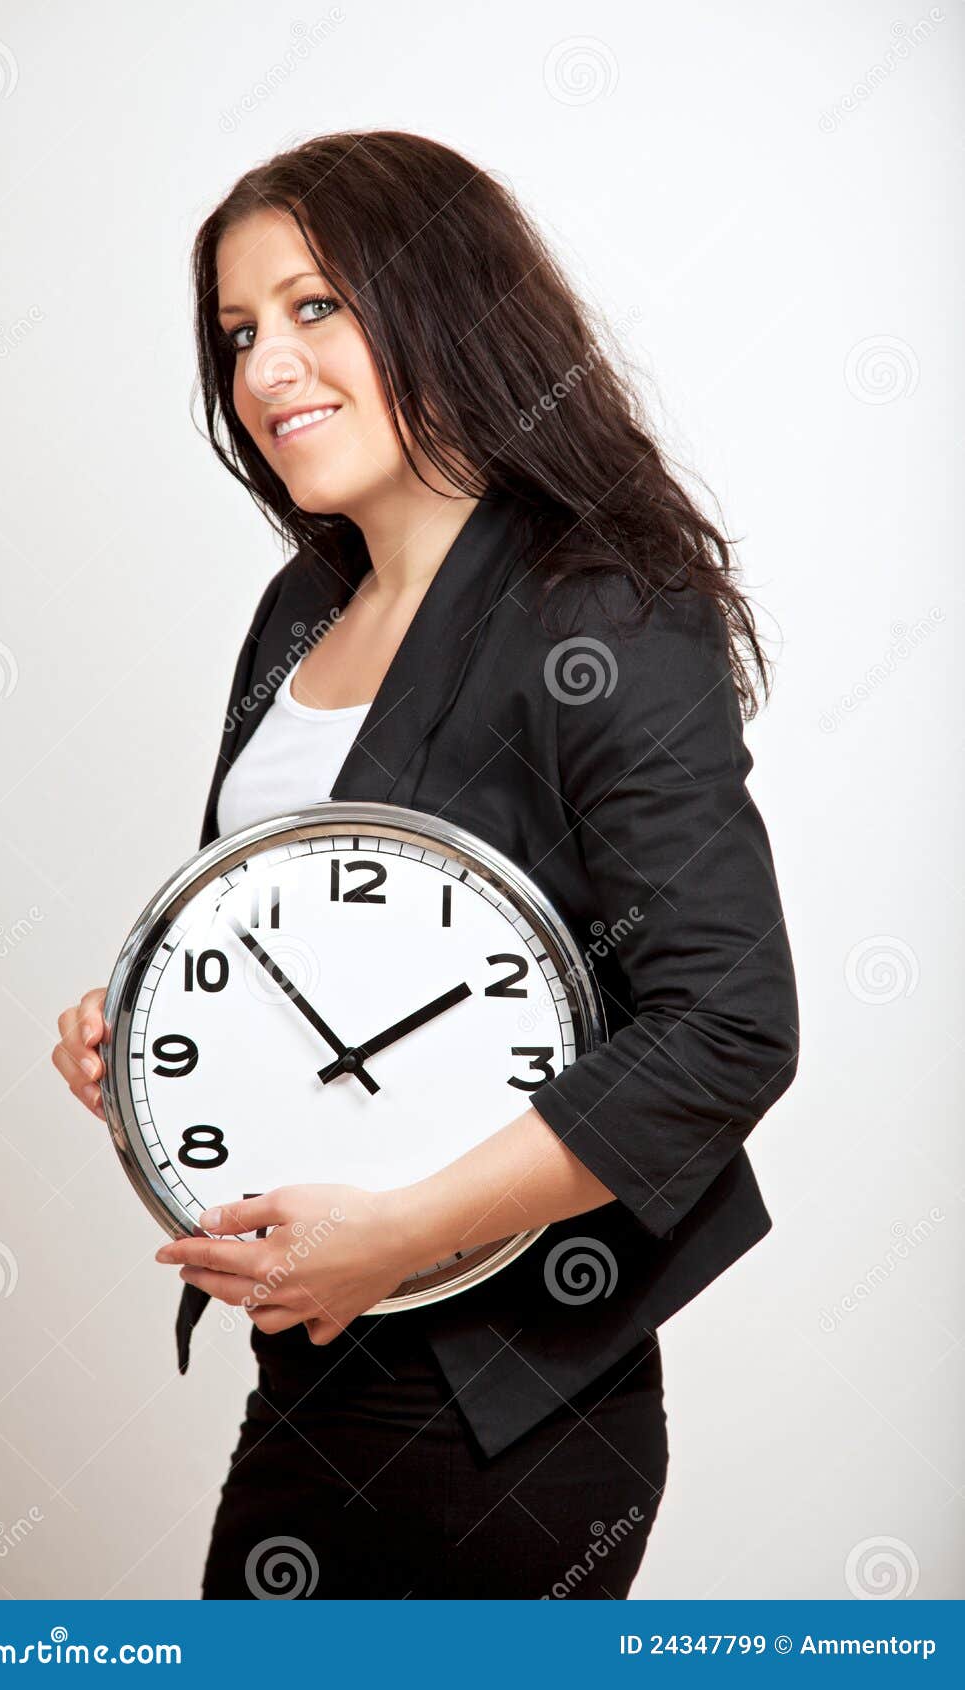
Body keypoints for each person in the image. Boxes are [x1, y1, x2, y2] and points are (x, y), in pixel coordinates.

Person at [52, 130, 800, 1600]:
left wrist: (393, 1233)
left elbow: (727, 1024)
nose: (268, 368)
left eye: (316, 305)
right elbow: (324, 942)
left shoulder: (604, 602)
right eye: (239, 332)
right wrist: (152, 1028)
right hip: (312, 1374)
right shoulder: (298, 609)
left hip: (503, 1406)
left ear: (449, 299)